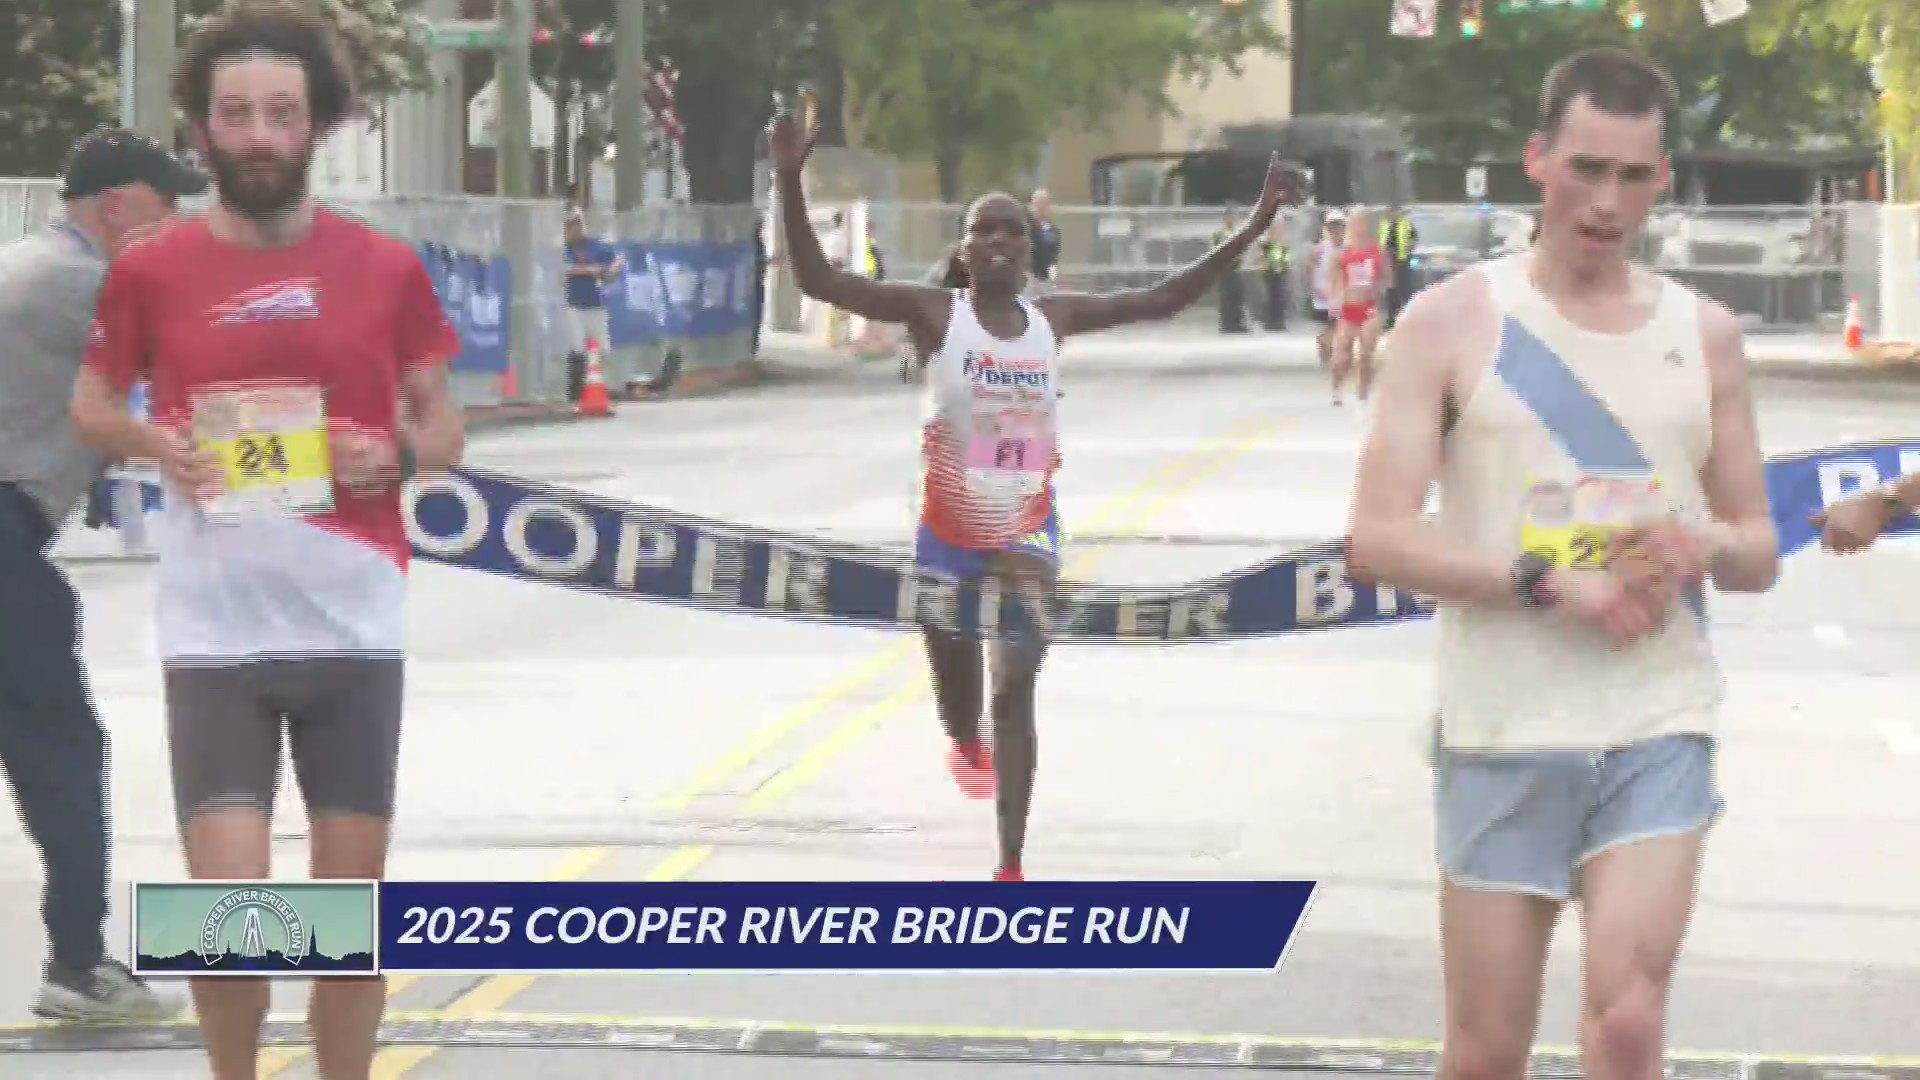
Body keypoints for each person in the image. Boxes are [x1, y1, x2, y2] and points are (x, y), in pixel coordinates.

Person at [1345, 47, 1778, 1080]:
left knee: (1626, 1027)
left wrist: (1702, 545)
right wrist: (1546, 583)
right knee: (1487, 1052)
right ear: (1538, 159)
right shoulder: (1450, 323)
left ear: (1663, 179)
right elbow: (1375, 538)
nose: (1606, 201)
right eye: (1586, 168)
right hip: (1503, 732)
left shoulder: (1706, 336)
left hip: (1654, 723)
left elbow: (1758, 547)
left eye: (1633, 176)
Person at [67, 8, 466, 1079]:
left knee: (345, 918)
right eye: (236, 114)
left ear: (315, 128)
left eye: (280, 114)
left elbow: (446, 432)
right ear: (201, 131)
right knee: (230, 910)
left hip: (351, 625)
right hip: (216, 633)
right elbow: (92, 403)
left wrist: (393, 451)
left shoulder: (383, 268)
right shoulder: (153, 272)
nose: (257, 135)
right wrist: (162, 443)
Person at [768, 105, 1285, 882]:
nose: (1002, 241)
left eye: (1013, 230)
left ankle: (1011, 862)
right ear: (965, 251)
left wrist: (1255, 224)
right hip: (947, 534)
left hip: (1027, 534)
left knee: (1015, 692)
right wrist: (786, 176)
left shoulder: (1054, 319)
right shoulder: (933, 314)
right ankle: (963, 741)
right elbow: (817, 279)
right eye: (986, 231)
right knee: (959, 701)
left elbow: (1163, 299)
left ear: (1029, 247)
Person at [0, 126, 200, 1023]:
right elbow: (209, 358)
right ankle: (80, 966)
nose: (172, 237)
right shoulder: (86, 281)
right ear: (116, 206)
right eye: (164, 218)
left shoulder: (23, 266)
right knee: (60, 749)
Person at [1329, 207, 1390, 407]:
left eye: (1361, 222)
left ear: (1366, 225)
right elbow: (1334, 280)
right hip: (1348, 310)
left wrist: (1377, 288)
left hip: (1369, 309)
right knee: (1341, 353)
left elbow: (1388, 279)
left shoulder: (1377, 251)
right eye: (1354, 223)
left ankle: (1363, 390)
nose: (1357, 227)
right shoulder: (1342, 253)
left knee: (1365, 354)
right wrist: (1336, 297)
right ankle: (1336, 389)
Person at [1303, 209, 1346, 368]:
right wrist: (1314, 287)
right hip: (1323, 294)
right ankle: (1325, 353)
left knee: (1338, 326)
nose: (1335, 230)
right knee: (1330, 326)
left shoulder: (1348, 248)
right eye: (1332, 227)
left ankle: (1331, 353)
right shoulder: (1319, 249)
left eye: (1339, 226)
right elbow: (1309, 269)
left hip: (1341, 294)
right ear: (1327, 228)